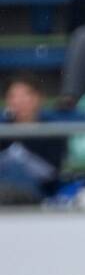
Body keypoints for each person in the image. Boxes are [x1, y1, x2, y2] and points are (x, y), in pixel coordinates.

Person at [0, 73, 64, 205]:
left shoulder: (53, 131)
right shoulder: (3, 131)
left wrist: (22, 158)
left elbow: (51, 173)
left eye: (25, 95)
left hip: (39, 193)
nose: (19, 102)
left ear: (38, 98)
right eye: (13, 96)